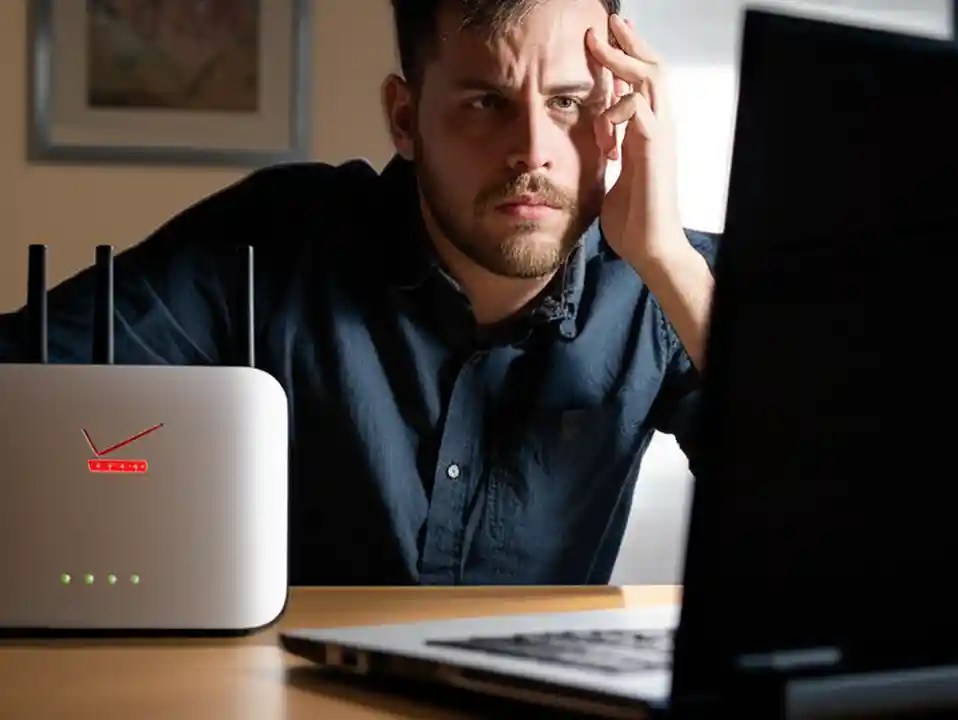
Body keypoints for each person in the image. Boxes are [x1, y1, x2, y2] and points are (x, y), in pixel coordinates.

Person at [0, 0, 717, 586]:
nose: (532, 148)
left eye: (569, 102)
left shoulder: (673, 284)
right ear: (405, 118)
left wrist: (669, 265)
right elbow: (19, 388)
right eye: (485, 103)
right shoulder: (272, 241)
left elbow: (814, 491)